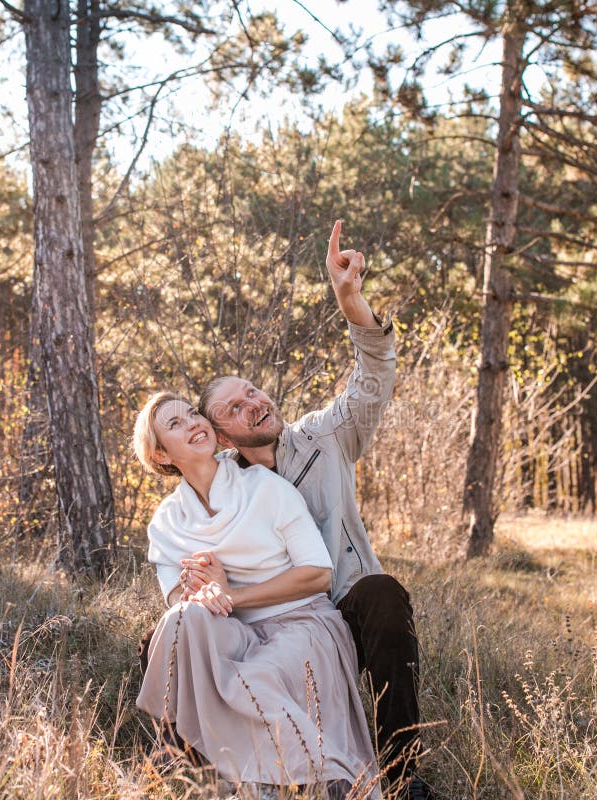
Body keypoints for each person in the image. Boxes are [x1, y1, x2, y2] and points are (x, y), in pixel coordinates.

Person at [188, 221, 434, 800]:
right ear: (220, 436)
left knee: (382, 593)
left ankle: (401, 777)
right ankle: (194, 773)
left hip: (340, 605)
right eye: (234, 407)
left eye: (252, 391)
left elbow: (373, 379)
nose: (253, 403)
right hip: (270, 625)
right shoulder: (221, 488)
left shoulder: (325, 437)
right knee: (168, 637)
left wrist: (351, 302)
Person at [133, 392, 380, 798]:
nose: (193, 423)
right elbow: (179, 598)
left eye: (193, 414)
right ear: (161, 455)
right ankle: (181, 747)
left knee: (254, 678)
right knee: (180, 619)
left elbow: (318, 574)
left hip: (302, 623)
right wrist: (203, 594)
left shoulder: (265, 486)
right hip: (236, 633)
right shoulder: (167, 522)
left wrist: (231, 594)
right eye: (175, 424)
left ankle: (324, 776)